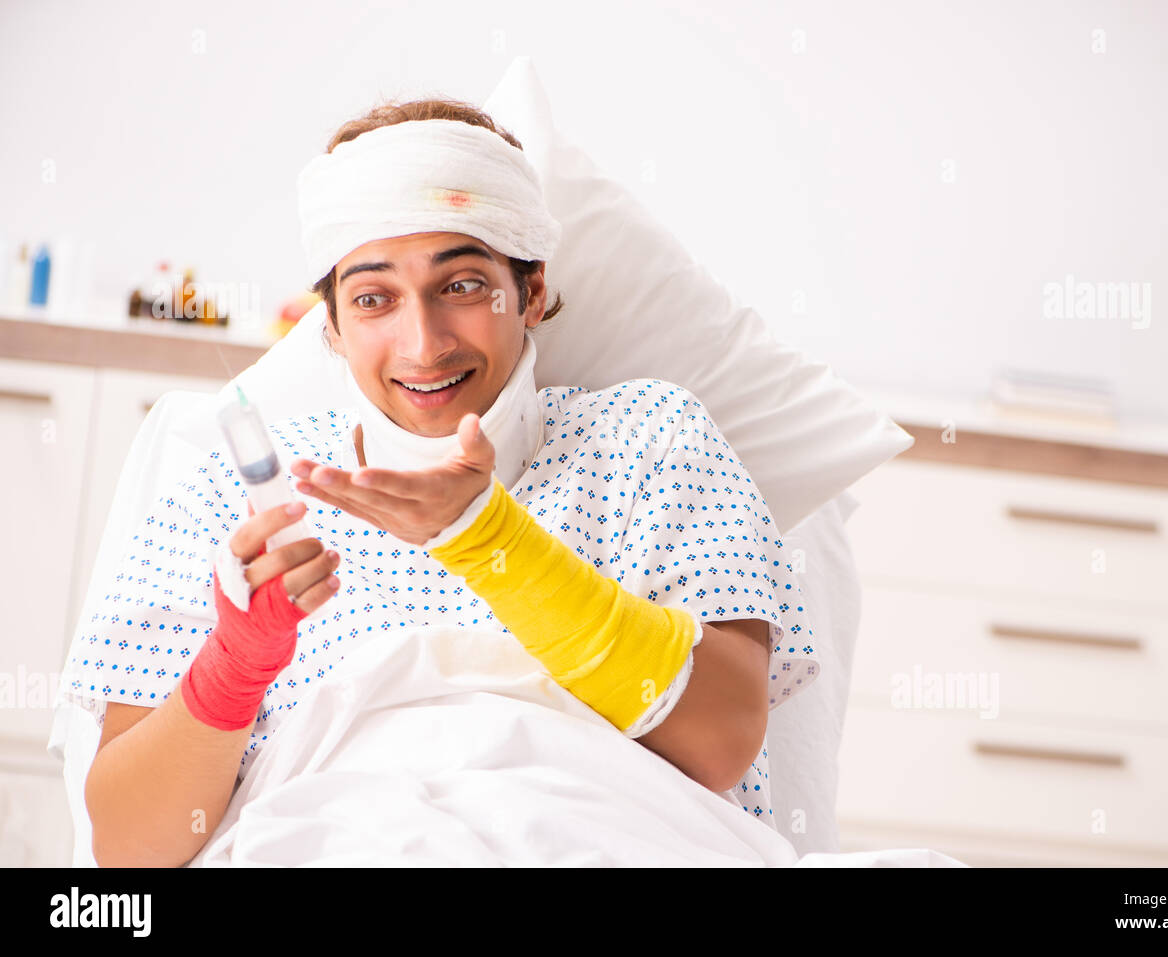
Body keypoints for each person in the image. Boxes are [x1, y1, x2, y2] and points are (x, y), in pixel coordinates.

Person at [61, 98, 821, 868]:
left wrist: (495, 544)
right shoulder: (235, 495)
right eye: (373, 298)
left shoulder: (647, 439)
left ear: (528, 291)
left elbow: (721, 741)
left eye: (461, 285)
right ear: (332, 322)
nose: (422, 344)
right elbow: (128, 851)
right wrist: (236, 660)